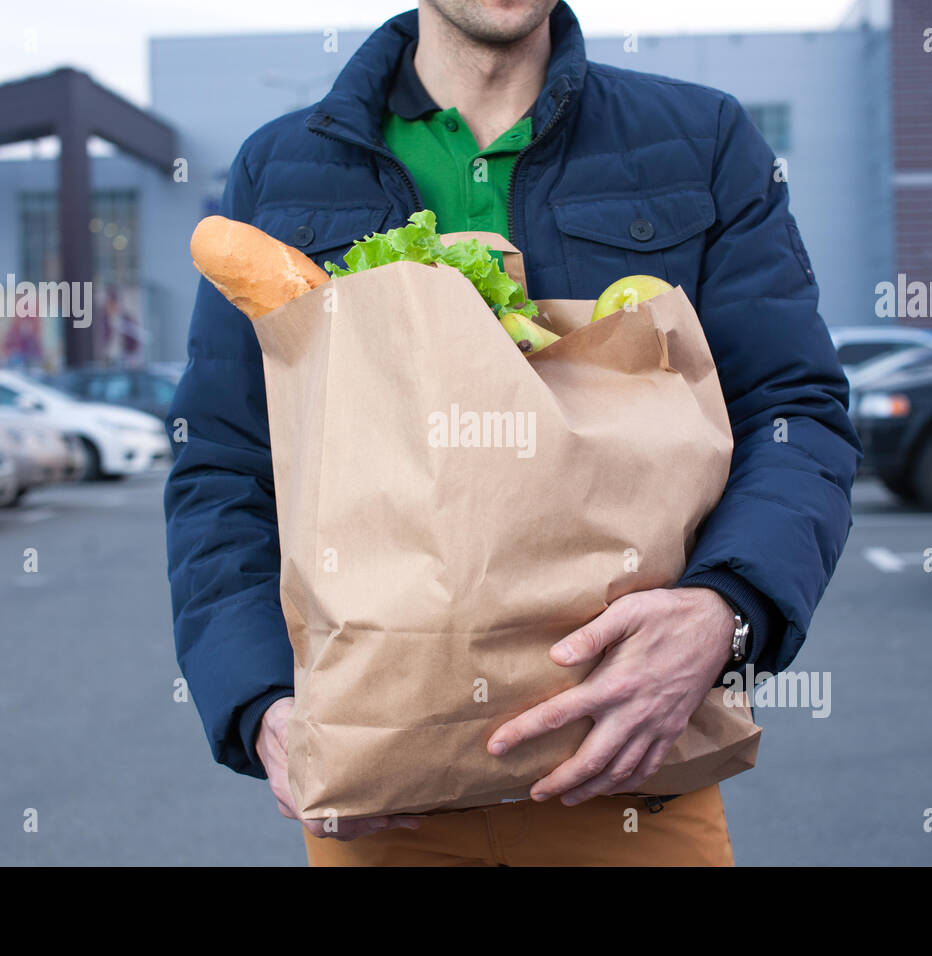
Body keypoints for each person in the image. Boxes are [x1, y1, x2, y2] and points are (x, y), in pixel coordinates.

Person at [165, 0, 860, 866]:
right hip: (384, 803)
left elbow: (794, 412)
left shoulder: (701, 138)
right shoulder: (283, 167)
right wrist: (261, 701)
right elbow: (222, 465)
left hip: (630, 778)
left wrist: (727, 610)